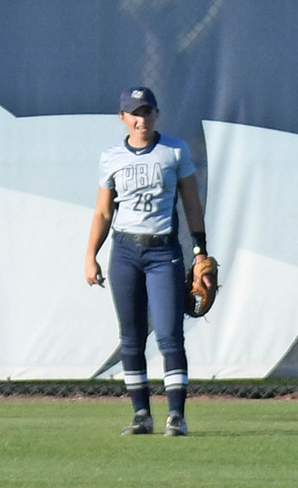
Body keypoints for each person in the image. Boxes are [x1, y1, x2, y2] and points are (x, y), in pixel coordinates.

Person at [85, 86, 209, 437]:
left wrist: (199, 250)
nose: (141, 120)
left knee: (169, 335)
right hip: (125, 251)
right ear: (123, 117)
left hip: (163, 252)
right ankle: (141, 415)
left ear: (157, 114)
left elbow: (191, 202)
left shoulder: (174, 150)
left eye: (147, 112)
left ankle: (176, 416)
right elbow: (104, 212)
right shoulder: (112, 157)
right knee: (131, 337)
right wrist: (91, 256)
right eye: (134, 113)